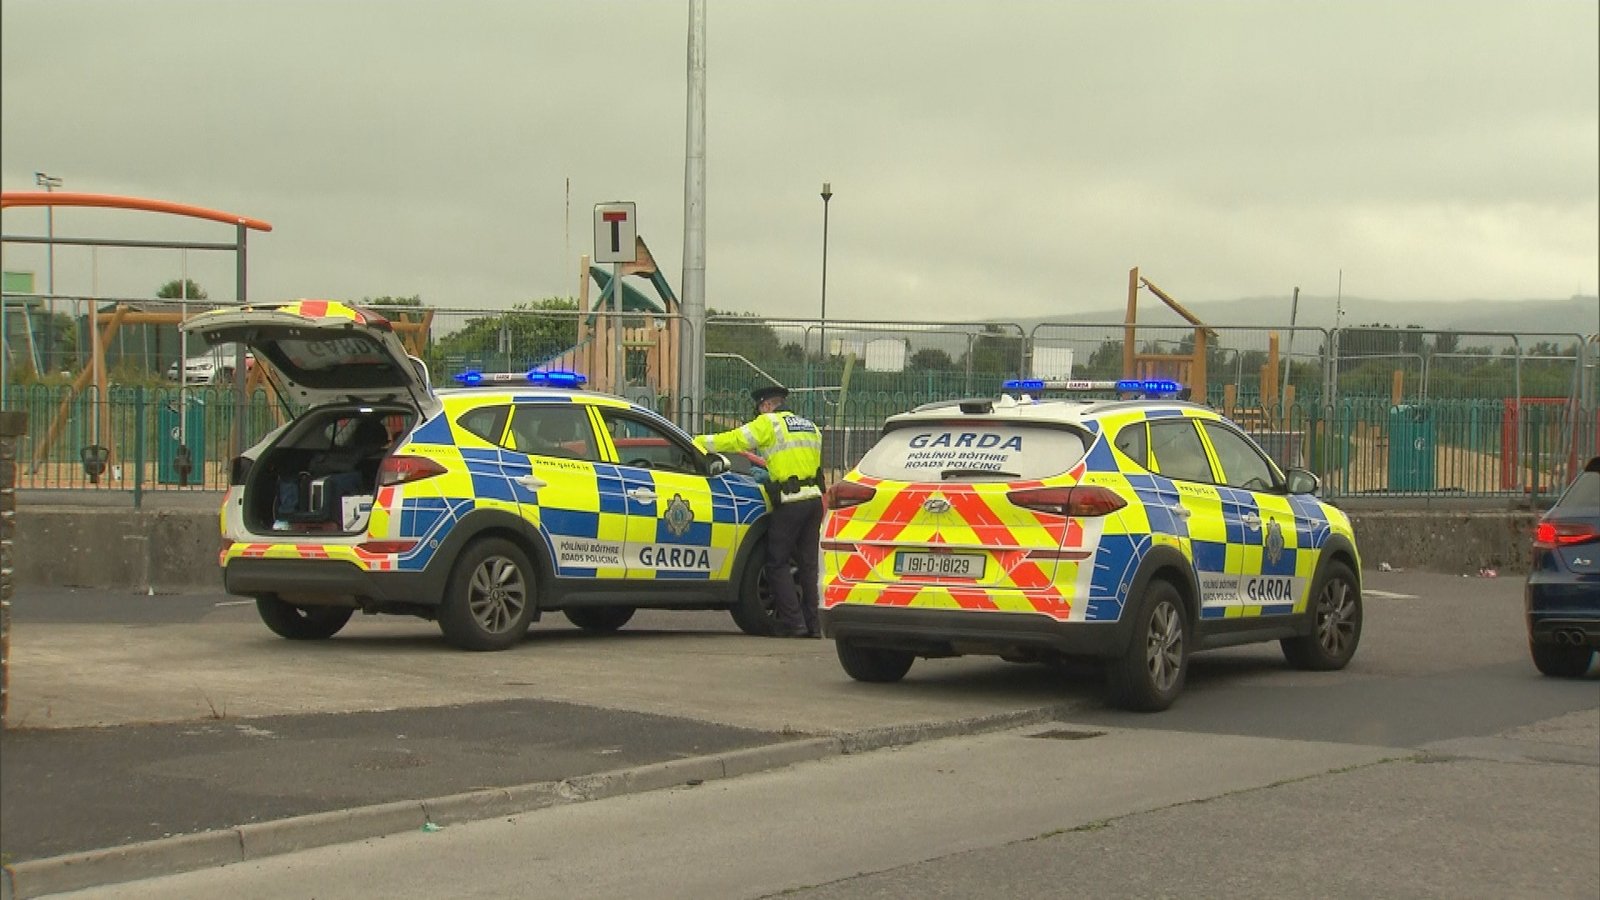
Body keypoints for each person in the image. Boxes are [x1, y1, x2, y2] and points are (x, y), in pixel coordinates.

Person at [697, 383, 824, 638]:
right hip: (813, 501)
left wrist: (698, 442)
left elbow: (734, 439)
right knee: (808, 565)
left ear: (766, 405)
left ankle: (794, 623)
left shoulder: (769, 423)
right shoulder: (810, 427)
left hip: (790, 502)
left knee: (776, 562)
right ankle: (814, 625)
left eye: (760, 409)